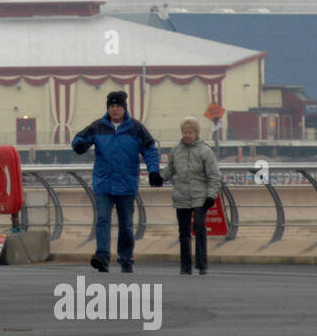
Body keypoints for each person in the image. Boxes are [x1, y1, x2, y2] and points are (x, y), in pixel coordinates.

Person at [72, 90, 162, 273]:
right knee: (103, 219)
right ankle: (102, 257)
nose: (114, 109)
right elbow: (79, 139)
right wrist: (79, 145)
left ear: (124, 108)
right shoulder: (98, 126)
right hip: (103, 184)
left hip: (126, 184)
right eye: (111, 106)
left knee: (126, 224)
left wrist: (153, 171)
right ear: (108, 108)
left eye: (118, 106)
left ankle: (126, 259)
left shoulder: (135, 128)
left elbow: (150, 149)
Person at [161, 116, 222, 274]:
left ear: (196, 133)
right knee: (184, 232)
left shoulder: (205, 151)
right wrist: (159, 177)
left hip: (200, 197)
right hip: (181, 196)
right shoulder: (176, 150)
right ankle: (185, 266)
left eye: (190, 132)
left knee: (199, 228)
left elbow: (214, 176)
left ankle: (202, 265)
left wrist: (211, 195)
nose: (187, 135)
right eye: (185, 132)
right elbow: (170, 170)